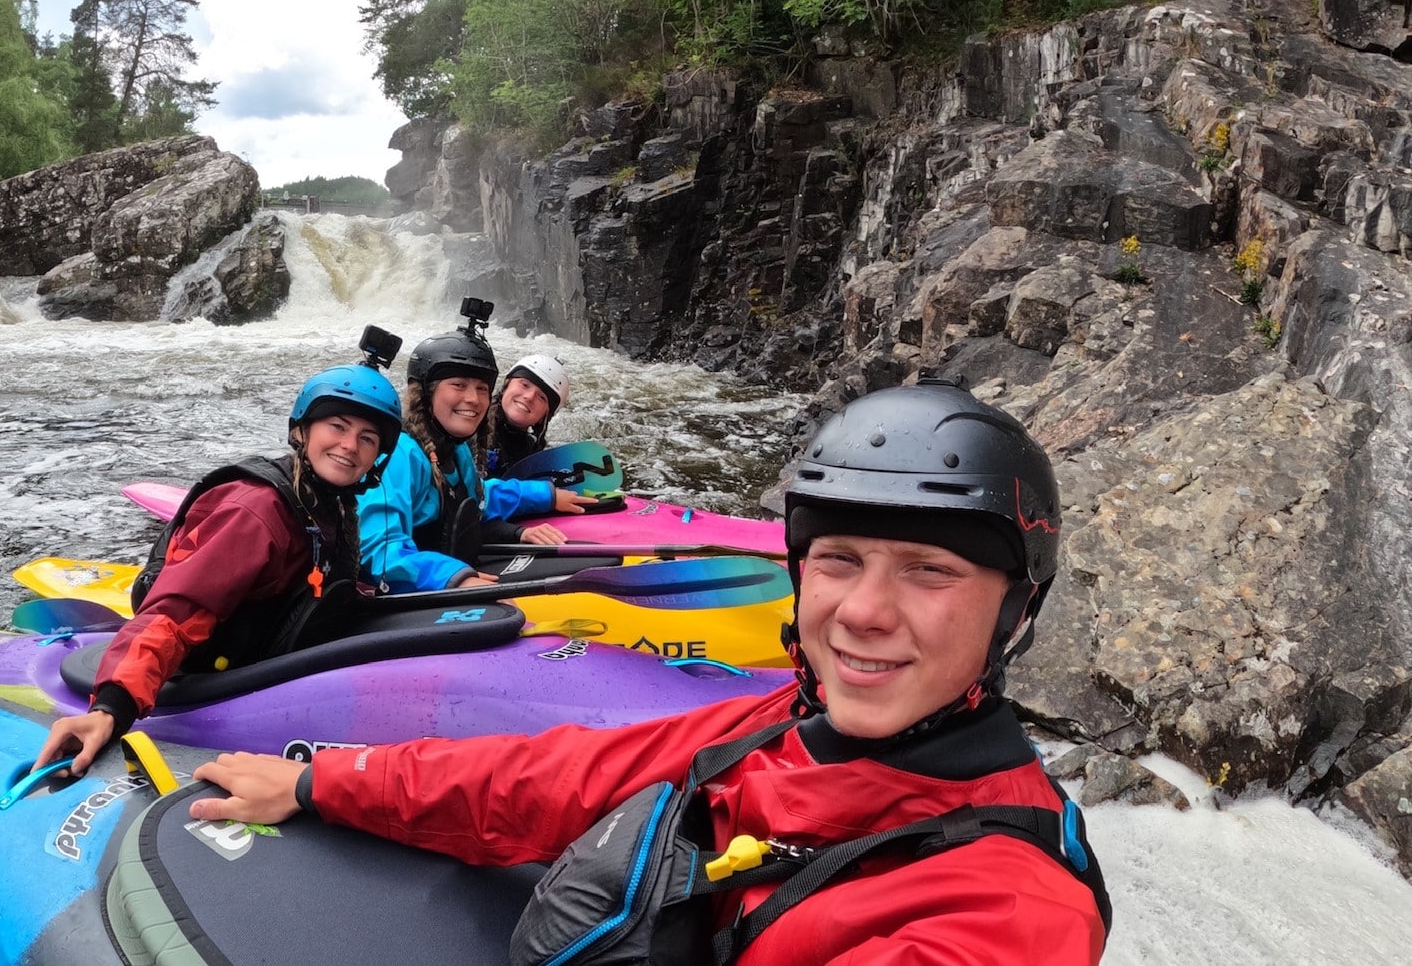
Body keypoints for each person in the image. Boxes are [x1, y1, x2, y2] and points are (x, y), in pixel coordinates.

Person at [189, 381, 1111, 963]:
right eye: (837, 560)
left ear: (1015, 609)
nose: (863, 611)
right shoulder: (777, 724)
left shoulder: (1007, 913)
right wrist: (325, 780)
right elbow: (559, 777)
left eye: (929, 569)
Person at [34, 357, 403, 777]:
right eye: (337, 427)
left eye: (367, 438)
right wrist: (110, 709)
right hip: (208, 675)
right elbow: (175, 615)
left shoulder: (331, 503)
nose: (350, 446)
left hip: (270, 663)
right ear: (302, 430)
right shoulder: (256, 511)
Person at [358, 315, 594, 592]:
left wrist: (546, 495)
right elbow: (379, 551)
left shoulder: (455, 449)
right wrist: (454, 577)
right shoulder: (399, 456)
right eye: (459, 385)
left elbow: (479, 497)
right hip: (397, 600)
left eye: (482, 388)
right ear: (425, 393)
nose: (473, 399)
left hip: (443, 578)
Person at [486, 353, 569, 476]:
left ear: (543, 418)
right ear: (506, 387)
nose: (529, 397)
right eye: (524, 385)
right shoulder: (470, 428)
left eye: (541, 397)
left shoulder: (534, 455)